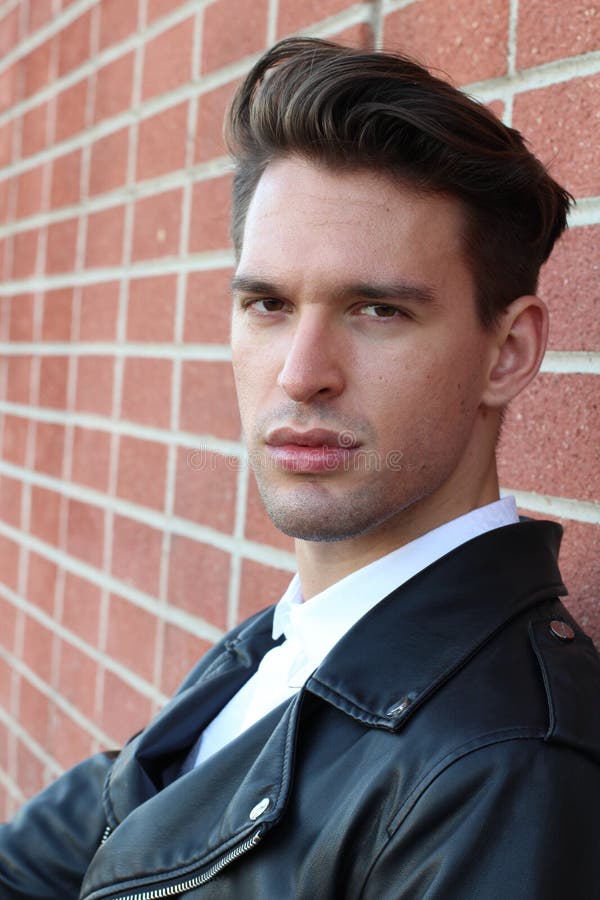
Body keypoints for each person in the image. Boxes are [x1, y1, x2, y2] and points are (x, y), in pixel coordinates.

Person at [1, 37, 599, 900]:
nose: (300, 372)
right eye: (269, 305)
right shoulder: (277, 650)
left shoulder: (499, 770)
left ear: (507, 353)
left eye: (377, 309)